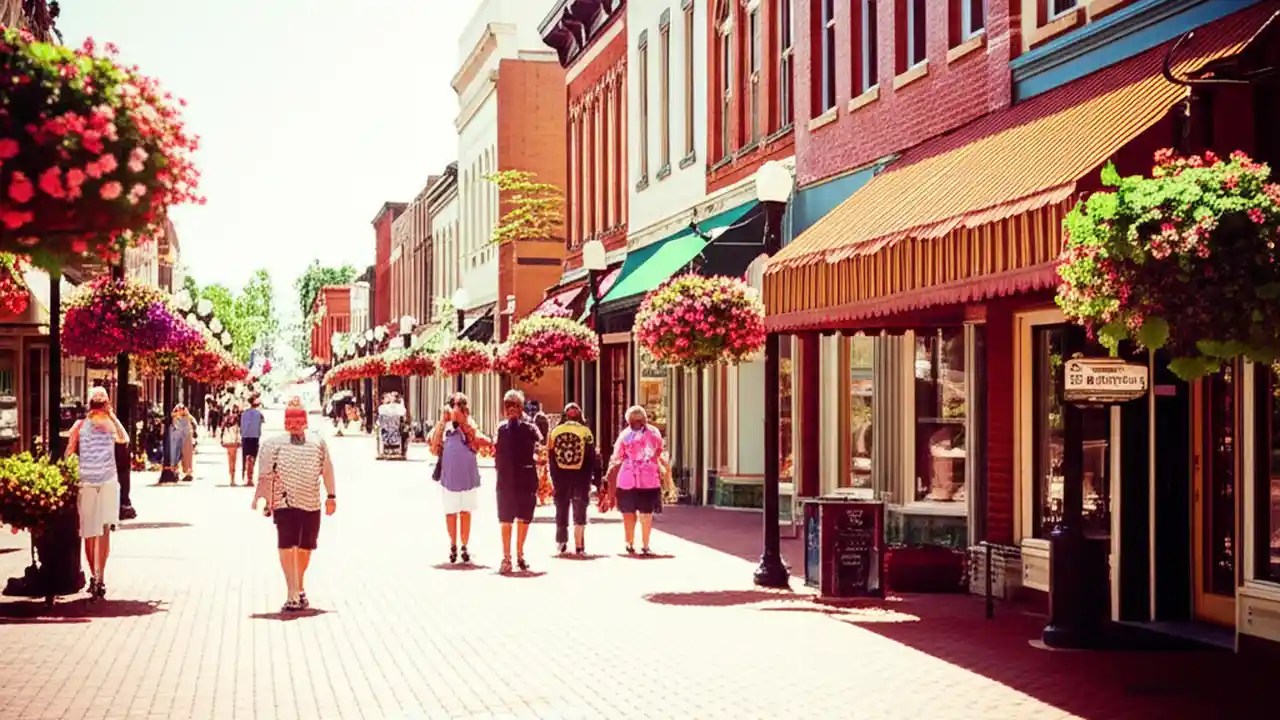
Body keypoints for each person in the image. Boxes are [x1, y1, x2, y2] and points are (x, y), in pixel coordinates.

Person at [252, 399, 337, 612]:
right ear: (285, 423)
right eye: (290, 421)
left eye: (299, 420)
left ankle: (299, 586)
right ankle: (291, 592)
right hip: (284, 502)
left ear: (306, 422)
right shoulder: (274, 445)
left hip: (311, 503)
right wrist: (267, 500)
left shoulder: (318, 443)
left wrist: (331, 495)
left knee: (305, 548)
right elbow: (266, 474)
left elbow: (327, 469)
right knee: (287, 544)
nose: (295, 425)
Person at [65, 386, 128, 599]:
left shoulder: (109, 425)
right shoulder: (81, 425)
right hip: (90, 483)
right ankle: (95, 575)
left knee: (99, 530)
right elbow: (69, 453)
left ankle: (99, 576)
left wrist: (111, 416)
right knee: (93, 532)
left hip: (105, 482)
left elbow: (124, 438)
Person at [428, 393, 492, 564]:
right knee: (451, 512)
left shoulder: (470, 425)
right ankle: (453, 544)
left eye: (460, 406)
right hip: (449, 477)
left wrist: (464, 426)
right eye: (454, 406)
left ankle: (464, 545)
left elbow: (482, 440)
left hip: (468, 476)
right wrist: (443, 422)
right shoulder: (443, 426)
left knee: (465, 511)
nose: (457, 410)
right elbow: (433, 445)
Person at [494, 389, 543, 574]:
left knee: (523, 518)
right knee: (505, 519)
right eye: (508, 406)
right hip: (505, 480)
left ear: (521, 408)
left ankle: (520, 554)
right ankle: (506, 557)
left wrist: (539, 457)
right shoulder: (501, 429)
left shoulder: (531, 429)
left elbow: (541, 448)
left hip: (525, 478)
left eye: (515, 405)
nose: (511, 409)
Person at [609, 405, 667, 556]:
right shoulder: (654, 433)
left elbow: (618, 455)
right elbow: (659, 450)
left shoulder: (625, 435)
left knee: (629, 513)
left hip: (628, 479)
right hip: (649, 479)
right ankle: (645, 545)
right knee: (646, 514)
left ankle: (629, 543)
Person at [547, 403, 602, 556]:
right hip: (581, 478)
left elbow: (550, 458)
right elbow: (593, 458)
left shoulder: (555, 431)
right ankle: (579, 546)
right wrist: (596, 480)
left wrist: (553, 479)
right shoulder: (586, 432)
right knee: (580, 511)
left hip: (561, 479)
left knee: (561, 510)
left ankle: (561, 542)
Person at [240, 395, 264, 486]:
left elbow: (241, 426)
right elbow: (261, 423)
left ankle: (247, 476)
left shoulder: (244, 413)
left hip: (245, 437)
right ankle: (250, 477)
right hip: (254, 437)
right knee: (252, 458)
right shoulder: (259, 414)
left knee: (246, 457)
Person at [169, 404, 196, 482]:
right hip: (180, 438)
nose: (180, 411)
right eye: (178, 409)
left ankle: (188, 473)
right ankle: (179, 472)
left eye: (181, 409)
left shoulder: (186, 417)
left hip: (186, 438)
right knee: (178, 456)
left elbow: (192, 423)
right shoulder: (177, 417)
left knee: (187, 456)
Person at [220, 405, 243, 485]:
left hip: (228, 442)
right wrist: (240, 442)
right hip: (234, 443)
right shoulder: (237, 421)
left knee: (230, 460)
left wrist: (222, 441)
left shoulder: (226, 421)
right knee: (233, 460)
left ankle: (231, 478)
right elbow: (239, 433)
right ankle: (232, 478)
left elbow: (221, 431)